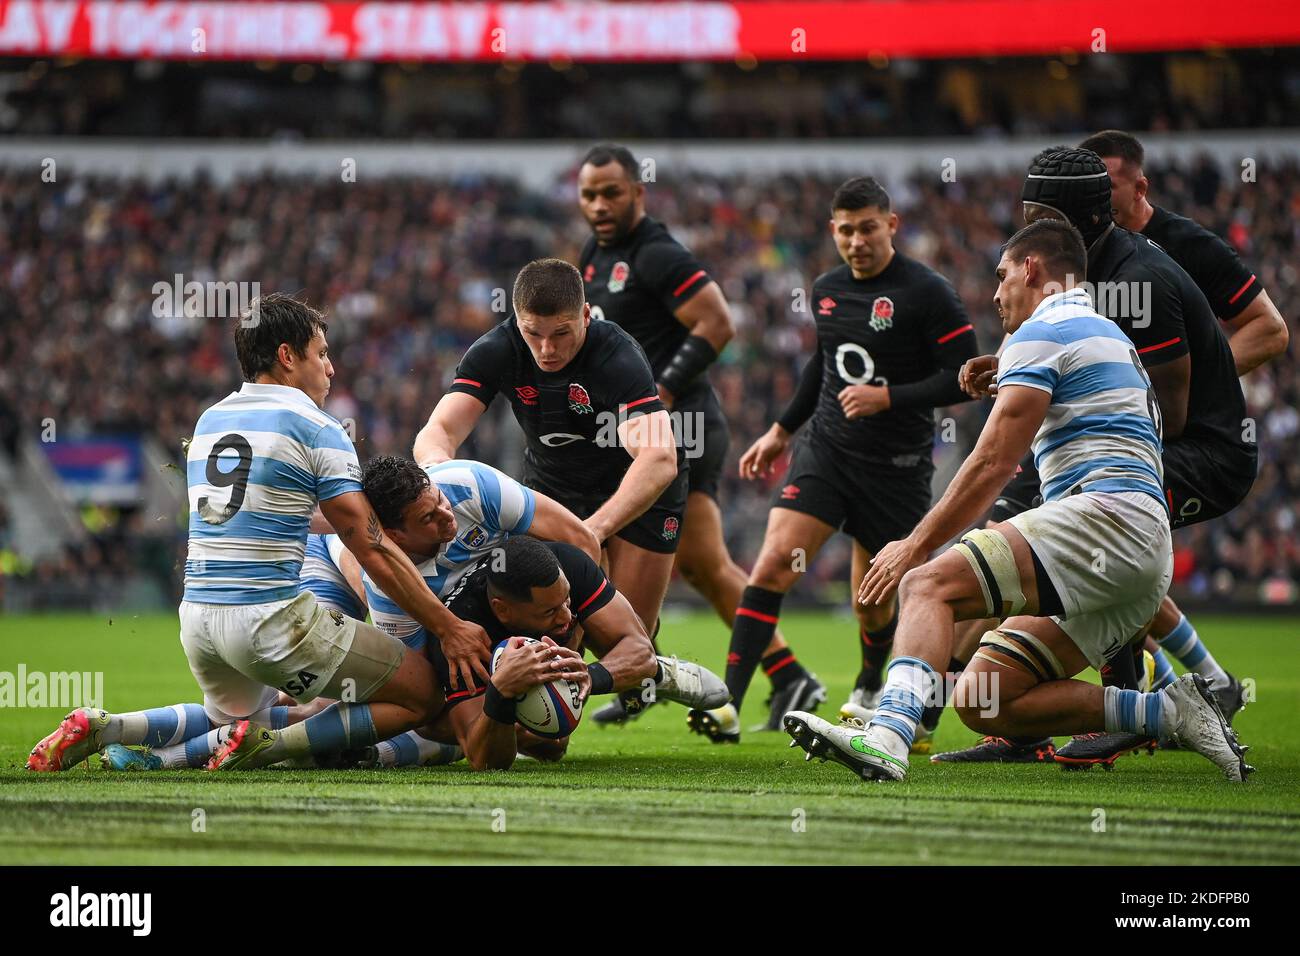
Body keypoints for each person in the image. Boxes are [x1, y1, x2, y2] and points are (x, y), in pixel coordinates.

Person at [783, 220, 1251, 784]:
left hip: (1101, 520)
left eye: (1002, 276)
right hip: (1143, 551)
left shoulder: (1044, 327)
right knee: (986, 698)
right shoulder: (1107, 333)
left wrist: (915, 544)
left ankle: (887, 736)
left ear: (1032, 269)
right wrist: (1007, 371)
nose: (997, 292)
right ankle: (1172, 711)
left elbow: (991, 463)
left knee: (924, 584)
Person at [28, 295, 474, 773]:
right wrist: (450, 628)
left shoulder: (210, 419)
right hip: (270, 621)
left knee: (242, 718)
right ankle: (273, 748)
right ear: (287, 356)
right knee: (424, 696)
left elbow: (285, 513)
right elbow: (368, 544)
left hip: (198, 621)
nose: (331, 368)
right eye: (321, 354)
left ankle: (110, 727)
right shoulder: (316, 426)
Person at [935, 146, 1255, 767]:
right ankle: (1047, 713)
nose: (1025, 224)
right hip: (1124, 450)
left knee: (1103, 534)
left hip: (1200, 451)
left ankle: (1129, 706)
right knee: (1058, 541)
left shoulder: (1138, 280)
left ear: (1074, 216)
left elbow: (1166, 410)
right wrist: (1009, 368)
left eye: (1037, 212)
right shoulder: (1074, 278)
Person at [688, 176, 977, 745]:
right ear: (833, 231)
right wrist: (778, 432)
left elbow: (964, 379)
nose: (856, 241)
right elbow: (822, 367)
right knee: (773, 566)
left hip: (895, 468)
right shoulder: (826, 289)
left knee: (870, 605)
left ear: (891, 225)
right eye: (845, 230)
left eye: (868, 228)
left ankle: (873, 684)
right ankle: (729, 704)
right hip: (826, 453)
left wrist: (887, 397)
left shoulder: (928, 292)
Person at [575, 143, 826, 730]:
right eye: (589, 194)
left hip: (681, 424)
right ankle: (775, 674)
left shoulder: (657, 253)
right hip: (642, 430)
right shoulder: (596, 253)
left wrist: (659, 392)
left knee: (700, 564)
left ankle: (776, 675)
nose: (599, 204)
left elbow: (717, 322)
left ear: (638, 192)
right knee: (697, 566)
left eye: (611, 192)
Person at [413, 258, 695, 719]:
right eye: (533, 333)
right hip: (553, 488)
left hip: (640, 493)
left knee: (628, 635)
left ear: (586, 315)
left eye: (561, 333)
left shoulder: (615, 354)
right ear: (517, 321)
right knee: (559, 617)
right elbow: (436, 431)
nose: (546, 349)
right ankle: (540, 709)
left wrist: (594, 530)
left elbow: (660, 457)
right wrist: (439, 473)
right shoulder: (498, 348)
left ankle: (658, 673)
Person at [412, 534, 729, 770]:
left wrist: (588, 675)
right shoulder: (461, 638)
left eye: (566, 601)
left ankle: (661, 674)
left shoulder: (566, 563)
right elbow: (484, 761)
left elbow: (639, 649)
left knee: (634, 649)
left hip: (573, 646)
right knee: (551, 745)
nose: (565, 615)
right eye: (550, 611)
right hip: (482, 672)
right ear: (503, 611)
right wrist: (501, 693)